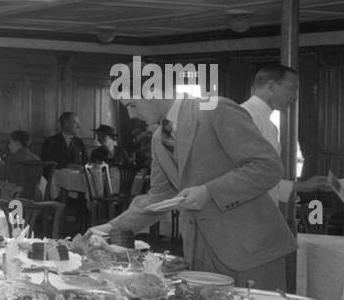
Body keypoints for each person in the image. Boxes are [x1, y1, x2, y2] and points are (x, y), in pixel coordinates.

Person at [90, 96, 293, 290]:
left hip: (250, 248)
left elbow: (267, 167)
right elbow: (159, 197)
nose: (131, 114)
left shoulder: (215, 108)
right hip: (197, 251)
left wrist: (209, 192)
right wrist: (110, 228)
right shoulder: (159, 139)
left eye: (132, 104)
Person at [239, 64, 331, 204]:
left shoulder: (269, 125)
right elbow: (242, 179)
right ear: (271, 87)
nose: (295, 96)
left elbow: (265, 180)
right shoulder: (243, 117)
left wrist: (303, 186)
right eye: (292, 89)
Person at [0, 131, 43, 197]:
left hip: (15, 194)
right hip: (34, 194)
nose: (8, 145)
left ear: (17, 143)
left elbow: (4, 177)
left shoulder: (12, 158)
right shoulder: (36, 159)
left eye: (10, 142)